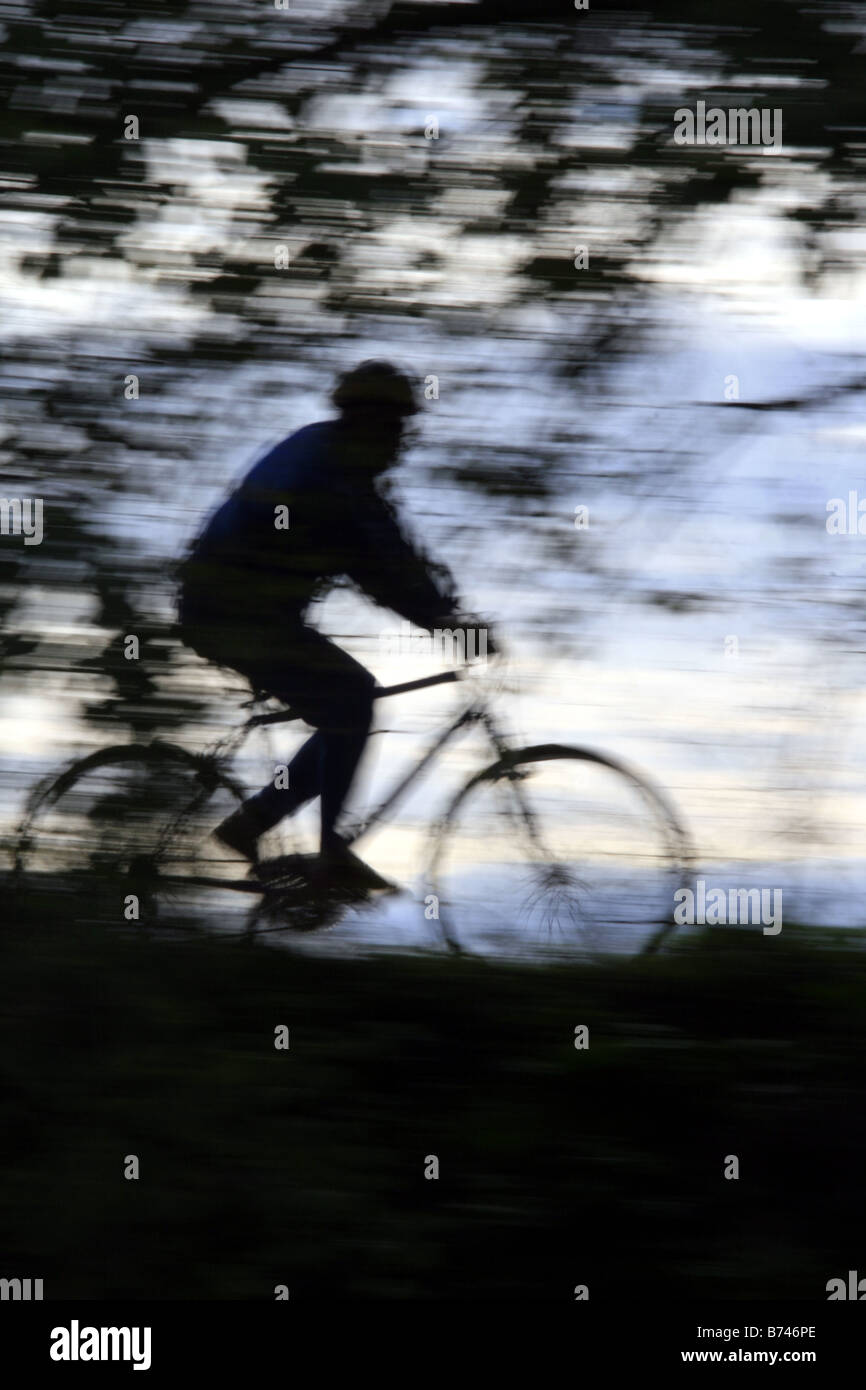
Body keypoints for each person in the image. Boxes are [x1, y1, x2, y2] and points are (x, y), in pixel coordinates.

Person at [177, 360, 493, 894]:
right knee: (351, 697)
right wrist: (445, 622)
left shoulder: (339, 467)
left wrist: (445, 613)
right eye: (395, 425)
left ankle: (251, 827)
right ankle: (330, 856)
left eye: (403, 427)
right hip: (230, 611)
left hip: (243, 610)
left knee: (341, 710)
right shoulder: (331, 473)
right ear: (366, 421)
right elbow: (380, 565)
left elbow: (390, 555)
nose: (402, 439)